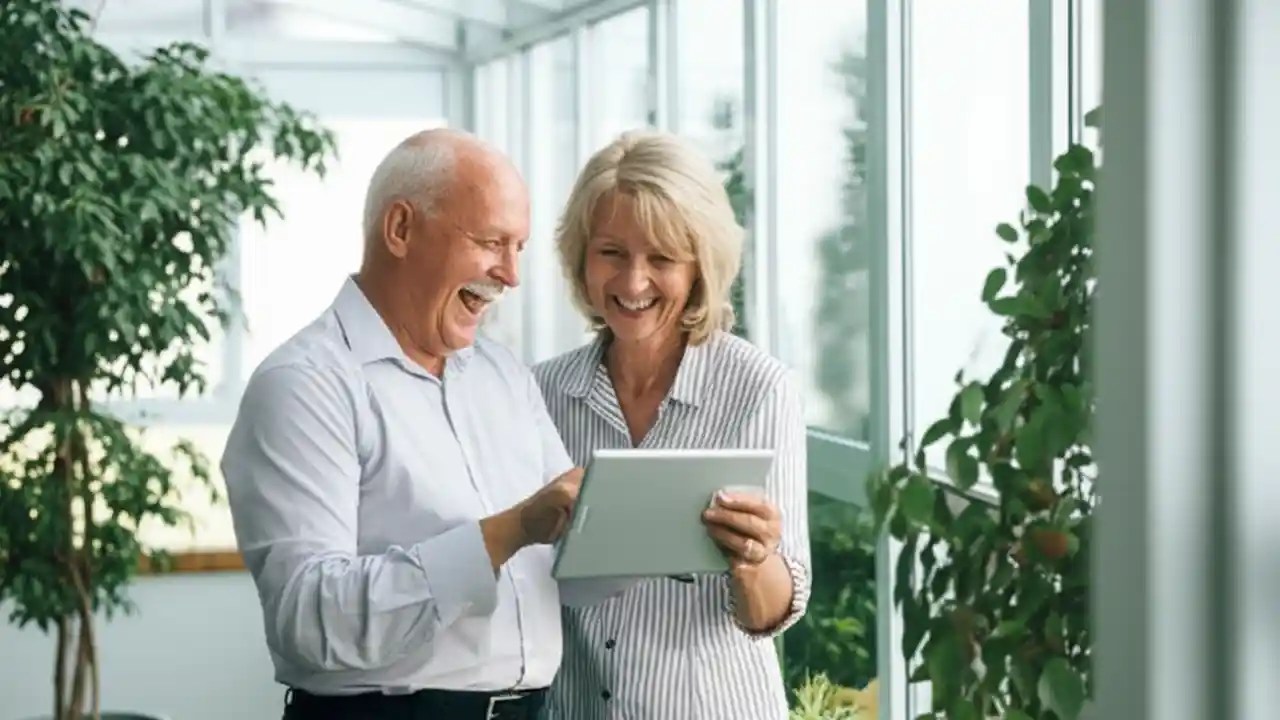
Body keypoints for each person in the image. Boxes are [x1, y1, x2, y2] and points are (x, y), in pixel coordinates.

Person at [220, 128, 583, 720]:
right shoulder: (304, 384)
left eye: (519, 247)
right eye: (492, 241)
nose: (511, 274)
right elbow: (310, 620)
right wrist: (507, 530)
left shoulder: (503, 376)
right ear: (401, 229)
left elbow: (563, 567)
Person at [533, 129, 812, 719]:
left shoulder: (758, 389)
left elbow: (773, 611)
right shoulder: (543, 394)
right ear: (581, 257)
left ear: (699, 268)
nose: (633, 283)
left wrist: (753, 559)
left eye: (661, 258)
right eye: (611, 252)